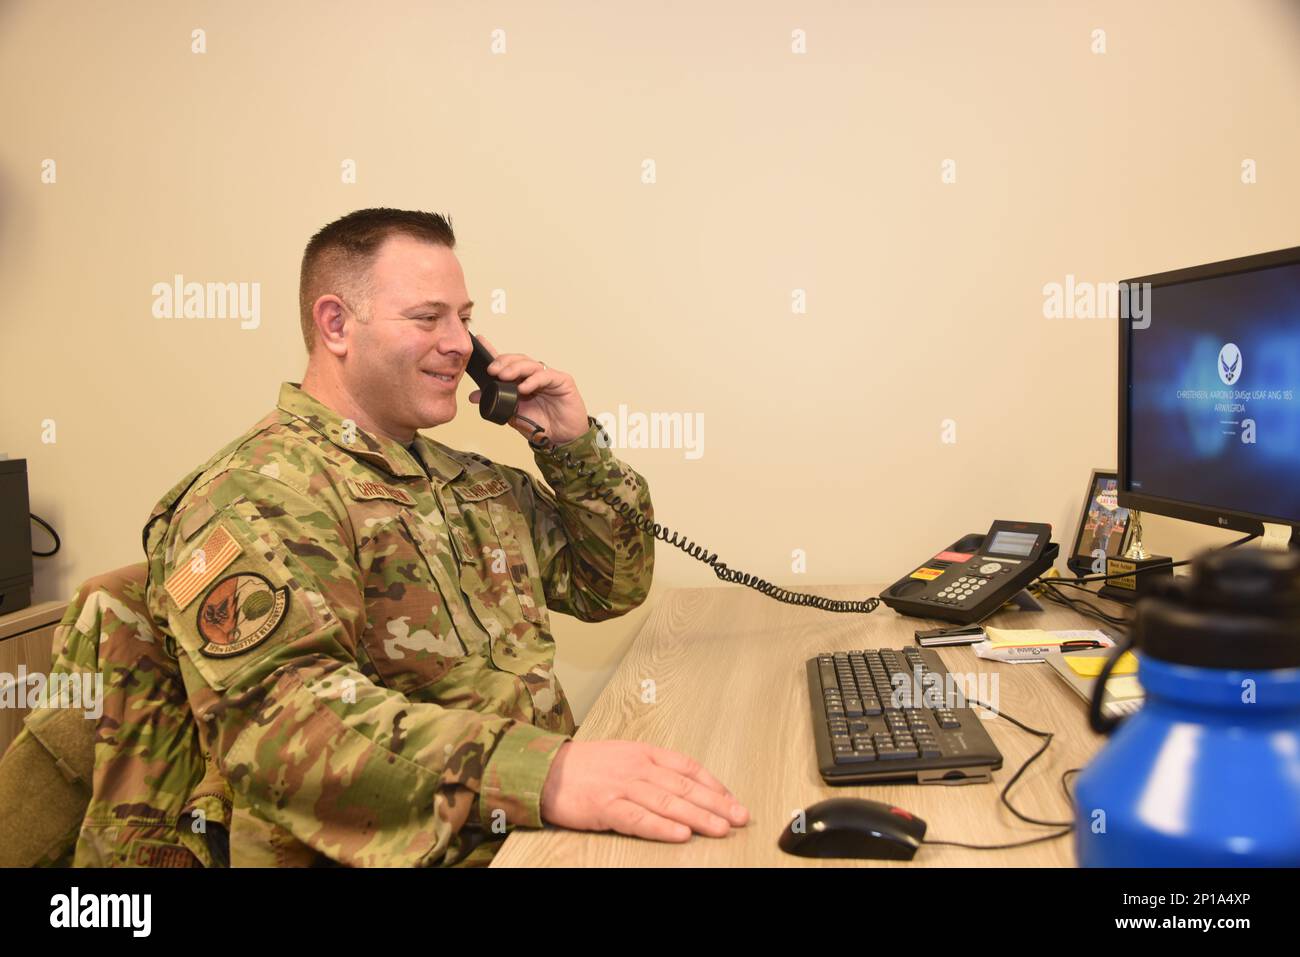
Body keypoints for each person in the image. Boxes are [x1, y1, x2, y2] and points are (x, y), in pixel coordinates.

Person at [142, 208, 749, 866]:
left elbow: (608, 585)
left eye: (464, 317)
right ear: (336, 324)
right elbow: (279, 723)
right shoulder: (252, 492)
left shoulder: (466, 481)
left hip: (537, 827)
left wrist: (575, 449)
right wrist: (543, 773)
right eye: (428, 318)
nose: (461, 344)